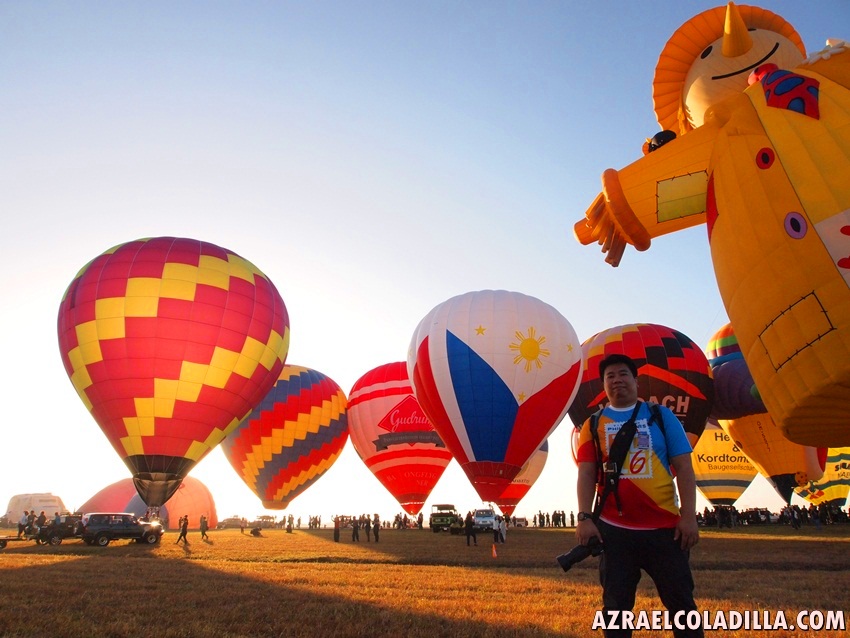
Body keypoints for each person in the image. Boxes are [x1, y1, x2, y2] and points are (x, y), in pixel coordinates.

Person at [575, 354, 702, 638]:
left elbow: (683, 467)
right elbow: (585, 473)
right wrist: (584, 517)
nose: (617, 380)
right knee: (616, 609)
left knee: (682, 605)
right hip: (614, 532)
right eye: (610, 377)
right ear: (603, 386)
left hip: (666, 530)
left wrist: (689, 516)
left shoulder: (661, 416)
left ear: (635, 380)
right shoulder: (593, 424)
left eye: (623, 374)